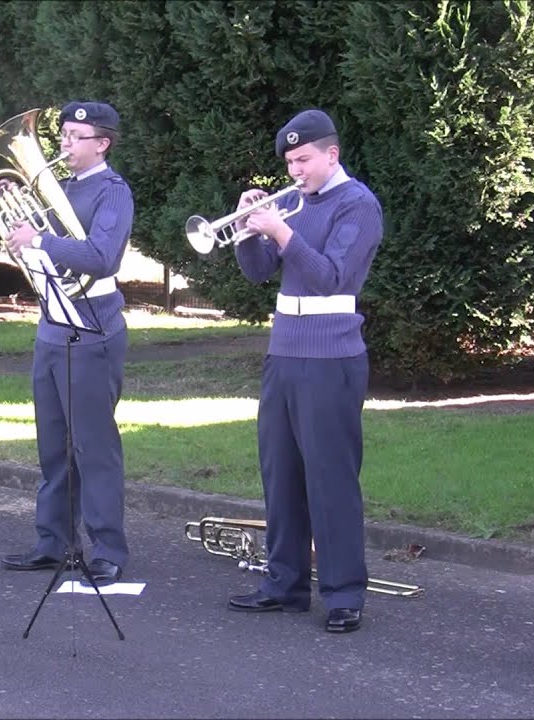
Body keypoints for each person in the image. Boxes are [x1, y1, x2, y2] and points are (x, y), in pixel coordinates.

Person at [227, 109, 383, 633]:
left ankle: (343, 594)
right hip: (284, 351)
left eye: (304, 159)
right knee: (281, 473)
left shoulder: (357, 204)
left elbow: (332, 277)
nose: (295, 171)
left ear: (331, 154)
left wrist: (283, 233)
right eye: (290, 162)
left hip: (331, 353)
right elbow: (258, 273)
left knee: (330, 477)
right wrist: (251, 229)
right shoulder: (293, 204)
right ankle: (284, 585)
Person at [0, 101, 135, 586]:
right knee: (53, 446)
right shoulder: (57, 189)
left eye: (78, 136)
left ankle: (109, 550)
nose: (65, 144)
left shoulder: (113, 193)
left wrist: (39, 239)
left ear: (103, 143)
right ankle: (53, 542)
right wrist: (24, 232)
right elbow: (42, 249)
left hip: (94, 325)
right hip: (52, 323)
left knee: (94, 446)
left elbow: (102, 257)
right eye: (65, 135)